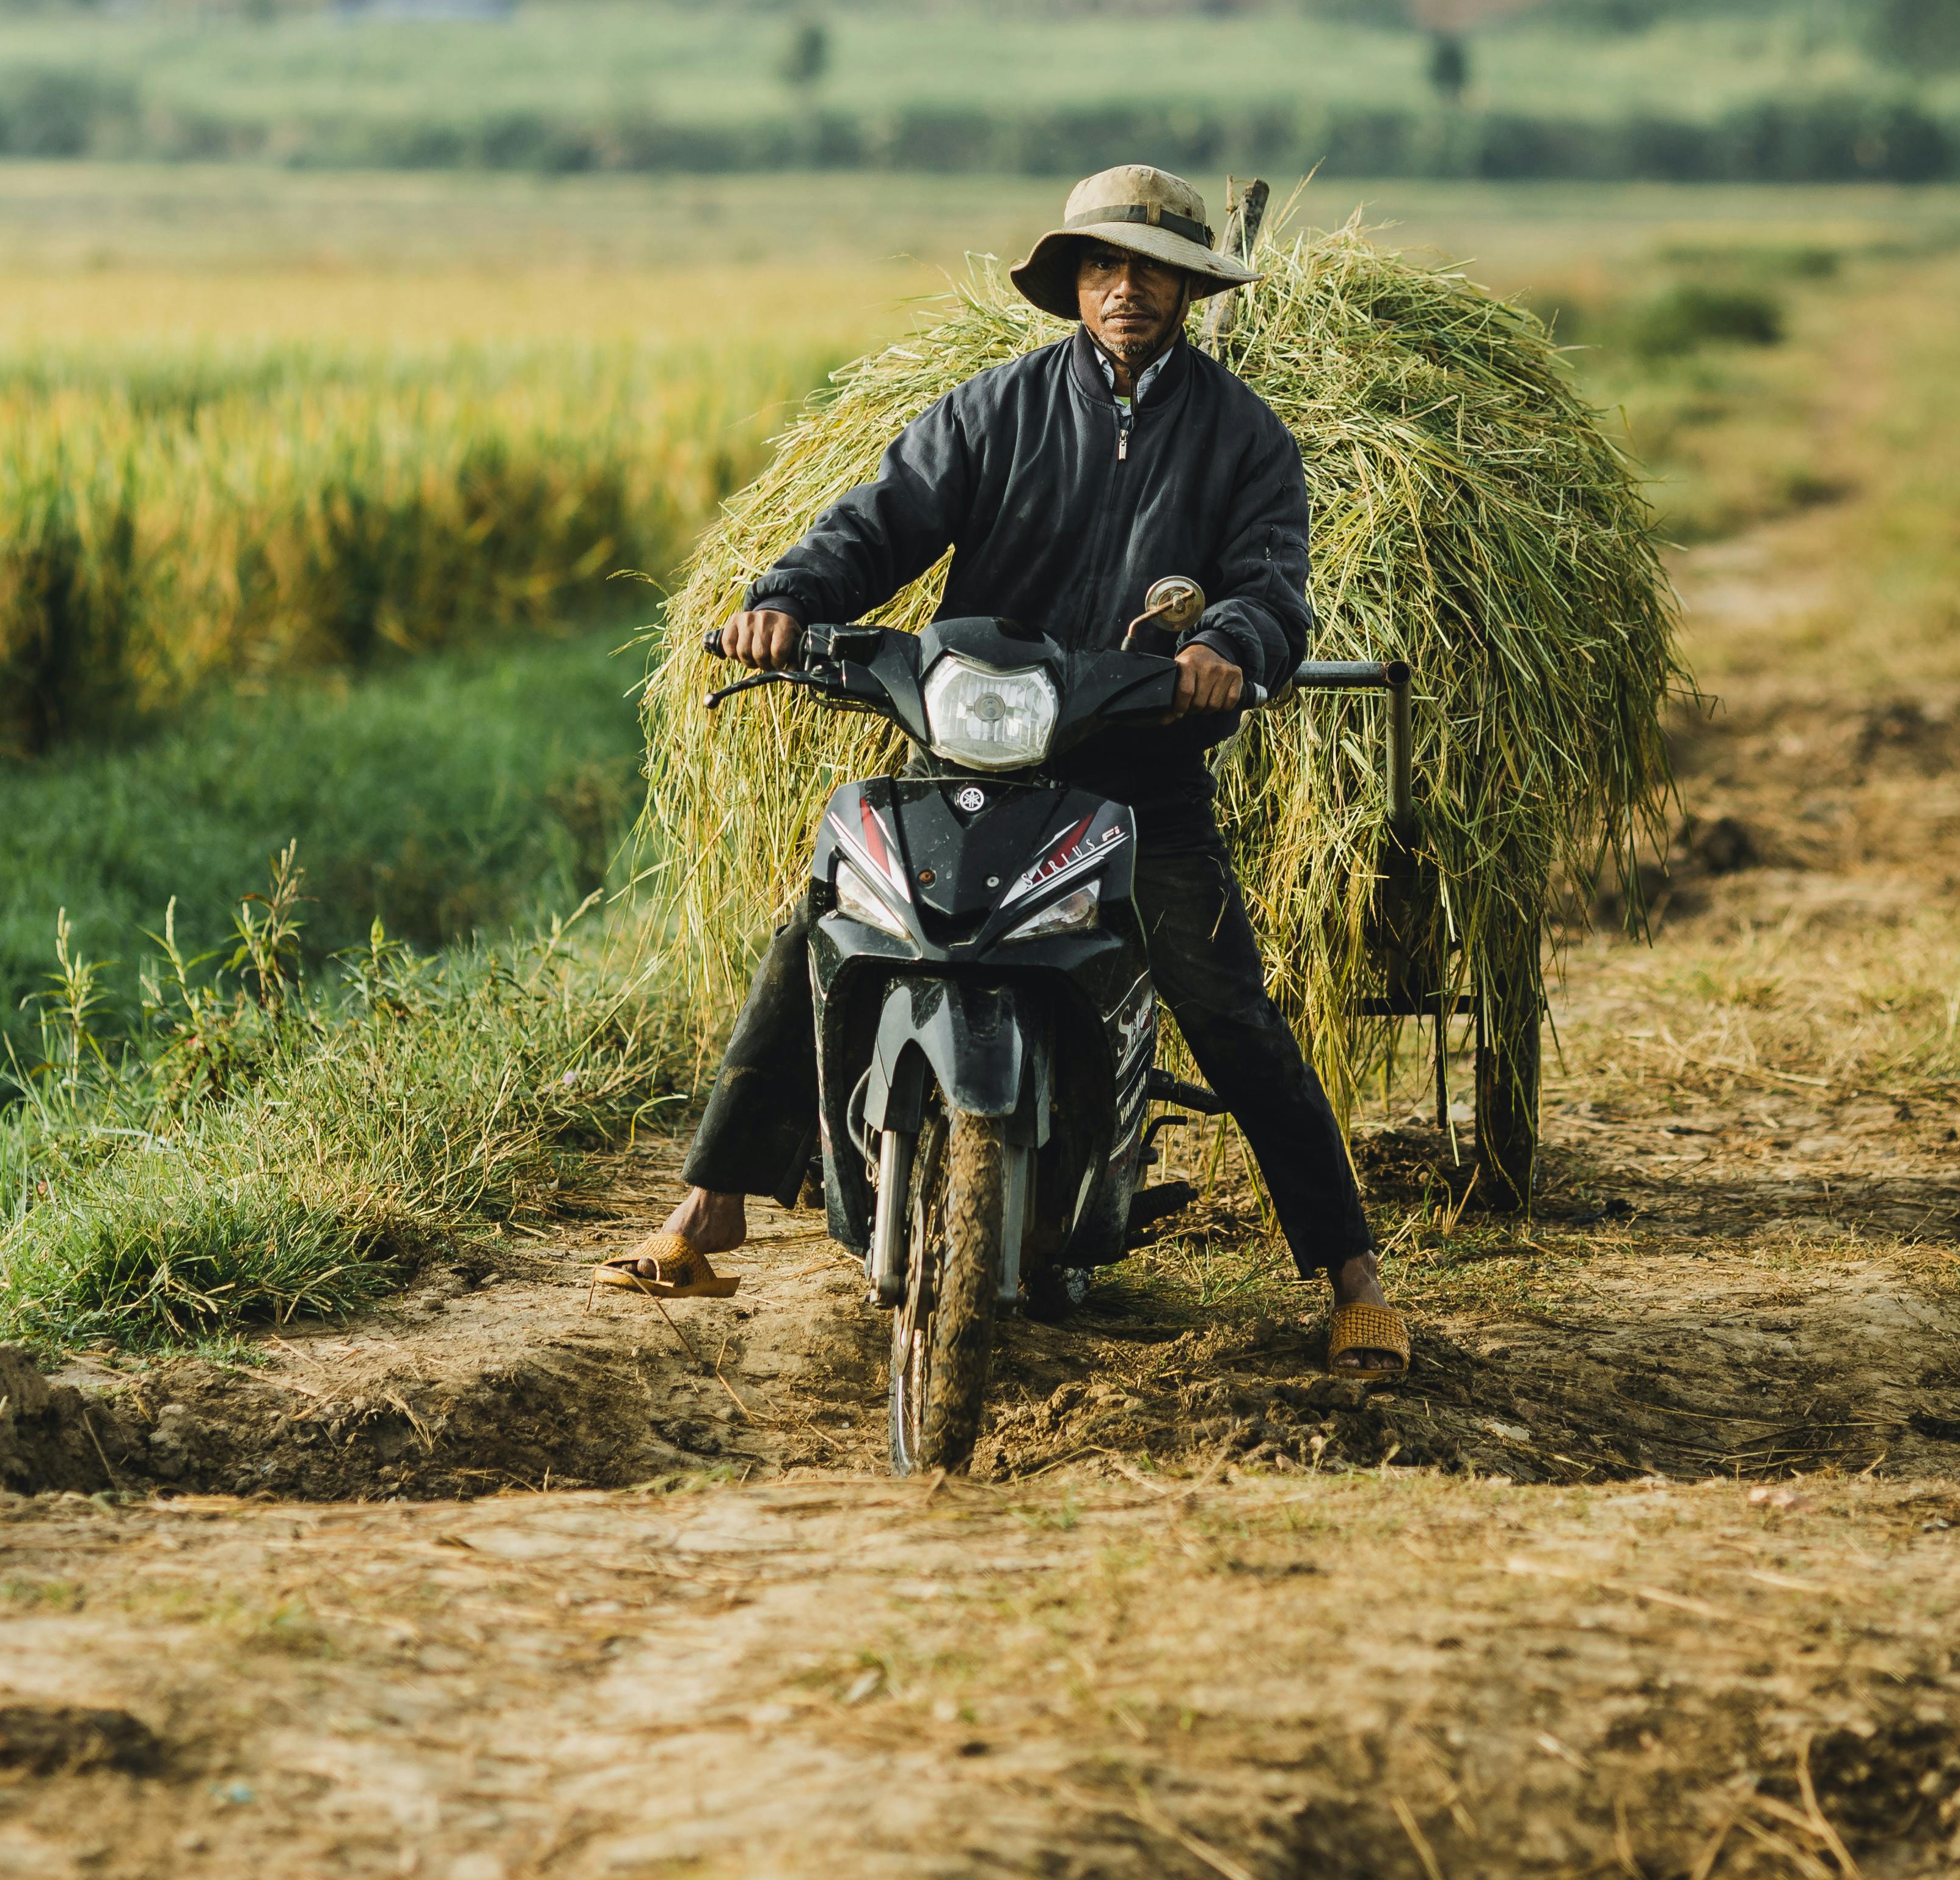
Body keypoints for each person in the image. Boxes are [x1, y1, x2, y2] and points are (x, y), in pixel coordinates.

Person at [599, 165, 1405, 1381]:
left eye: (1146, 267)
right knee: (818, 926)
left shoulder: (1246, 439)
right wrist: (786, 599)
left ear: (1189, 284)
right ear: (1073, 285)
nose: (1122, 288)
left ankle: (1355, 1280)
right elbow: (881, 520)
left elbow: (1270, 585)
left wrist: (1224, 651)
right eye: (1100, 266)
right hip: (973, 751)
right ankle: (712, 1204)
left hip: (1141, 769)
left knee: (1229, 1010)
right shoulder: (994, 408)